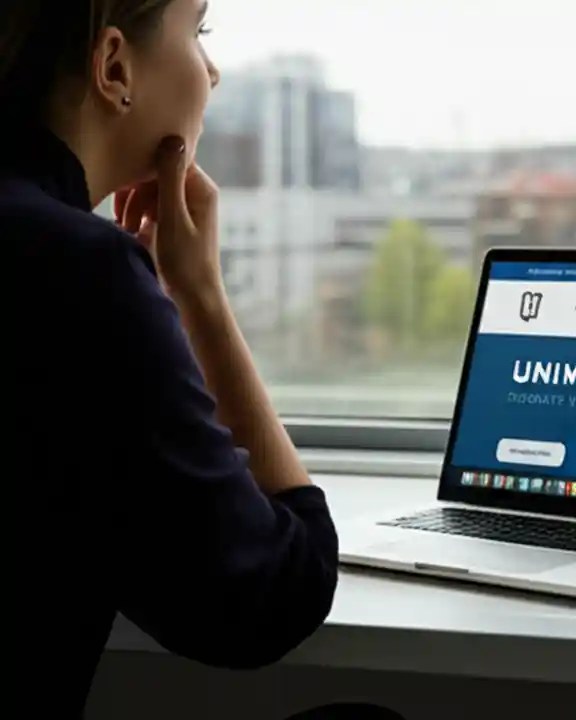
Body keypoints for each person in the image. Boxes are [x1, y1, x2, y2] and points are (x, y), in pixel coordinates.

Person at [1, 1, 359, 716]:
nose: (214, 71)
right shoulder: (79, 271)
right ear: (114, 68)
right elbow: (274, 596)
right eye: (200, 32)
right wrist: (202, 298)